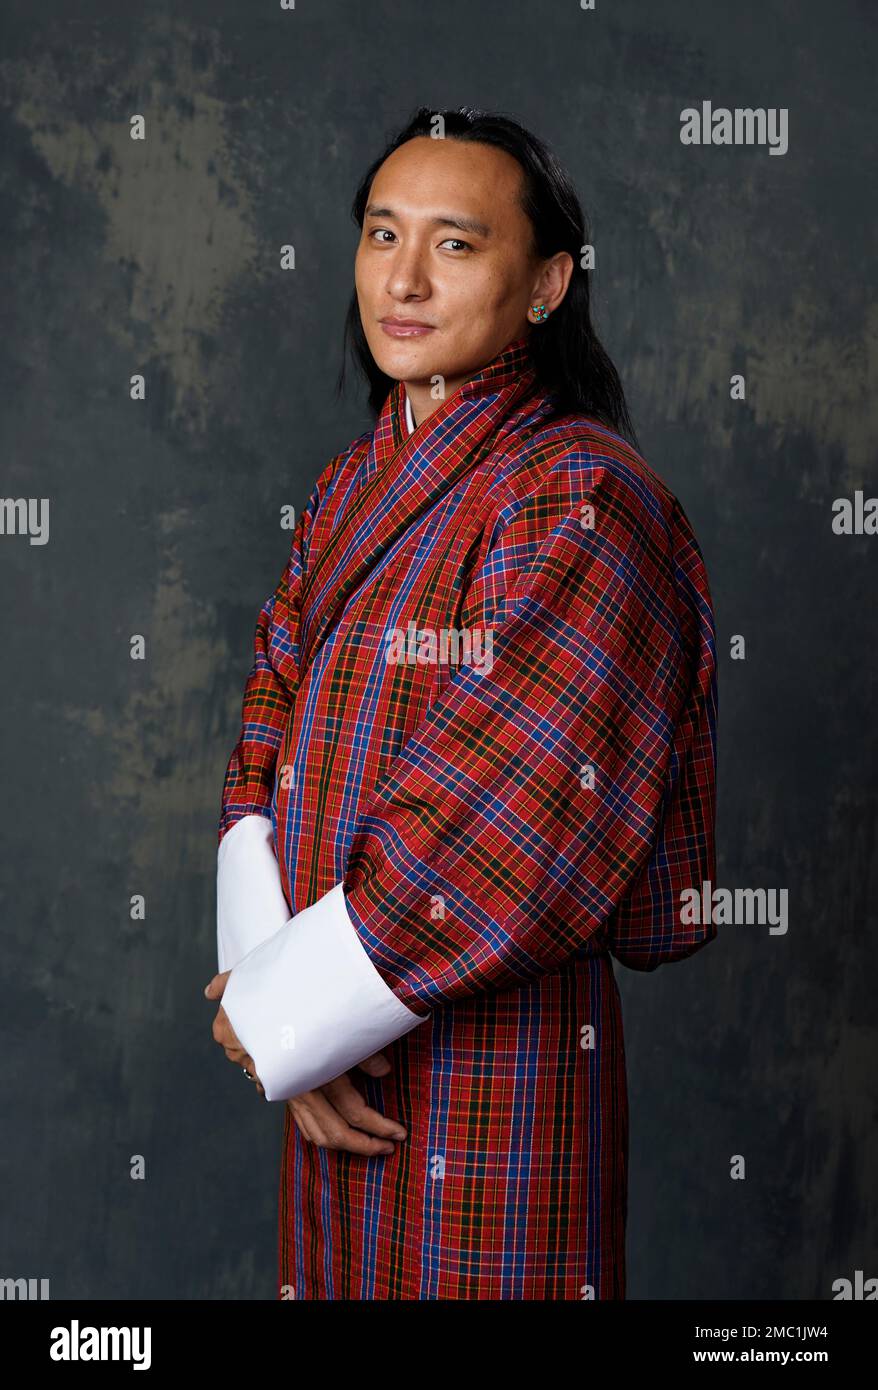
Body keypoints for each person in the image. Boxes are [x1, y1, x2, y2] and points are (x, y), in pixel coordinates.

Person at [203, 105, 718, 1301]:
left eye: (453, 243)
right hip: (341, 1061)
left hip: (495, 1067)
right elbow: (268, 704)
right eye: (382, 234)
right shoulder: (349, 483)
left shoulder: (584, 499)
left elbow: (507, 815)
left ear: (543, 284)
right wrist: (283, 1017)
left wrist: (285, 1017)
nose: (403, 277)